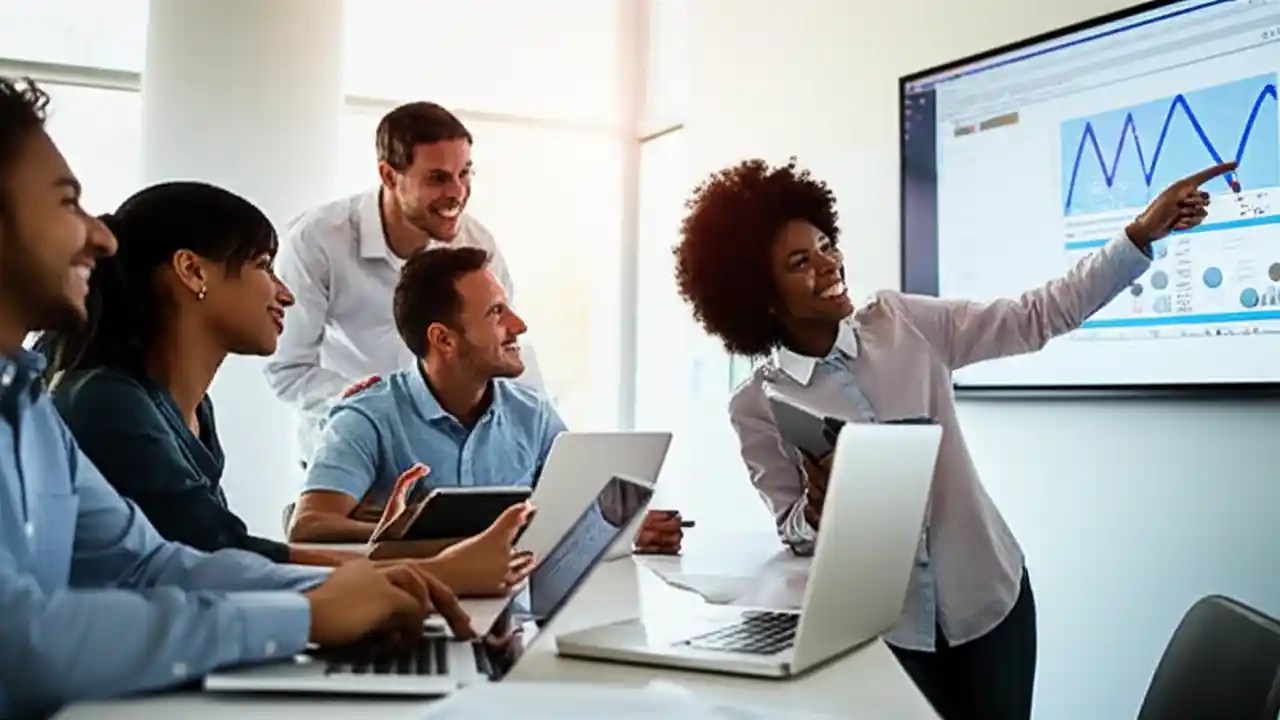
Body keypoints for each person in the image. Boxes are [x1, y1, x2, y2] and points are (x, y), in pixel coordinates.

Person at [672, 155, 1233, 720]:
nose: (827, 263)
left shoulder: (902, 321)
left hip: (992, 603)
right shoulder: (755, 406)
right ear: (763, 297)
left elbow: (1034, 316)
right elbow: (792, 531)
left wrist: (1138, 234)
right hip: (888, 635)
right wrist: (818, 512)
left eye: (825, 244)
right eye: (800, 262)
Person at [0, 77, 471, 718]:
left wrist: (341, 587)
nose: (100, 237)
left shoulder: (29, 410)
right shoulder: (99, 403)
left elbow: (152, 565)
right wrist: (306, 613)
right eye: (65, 204)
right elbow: (20, 644)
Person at [39, 182, 531, 597]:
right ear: (193, 271)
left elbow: (222, 556)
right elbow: (218, 559)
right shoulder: (108, 404)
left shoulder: (191, 411)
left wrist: (424, 564)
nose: (286, 292)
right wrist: (432, 574)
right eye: (263, 265)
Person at [288, 246, 685, 554]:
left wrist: (626, 527)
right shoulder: (366, 416)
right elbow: (310, 525)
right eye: (497, 313)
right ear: (443, 339)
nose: (519, 326)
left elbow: (569, 517)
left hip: (516, 610)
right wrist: (410, 534)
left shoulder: (534, 417)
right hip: (409, 613)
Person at [264, 101, 543, 470]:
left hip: (447, 458)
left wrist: (543, 433)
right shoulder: (318, 240)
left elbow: (502, 343)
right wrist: (384, 410)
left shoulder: (477, 243)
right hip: (350, 455)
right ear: (389, 176)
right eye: (438, 178)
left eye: (465, 174)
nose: (458, 192)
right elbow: (288, 369)